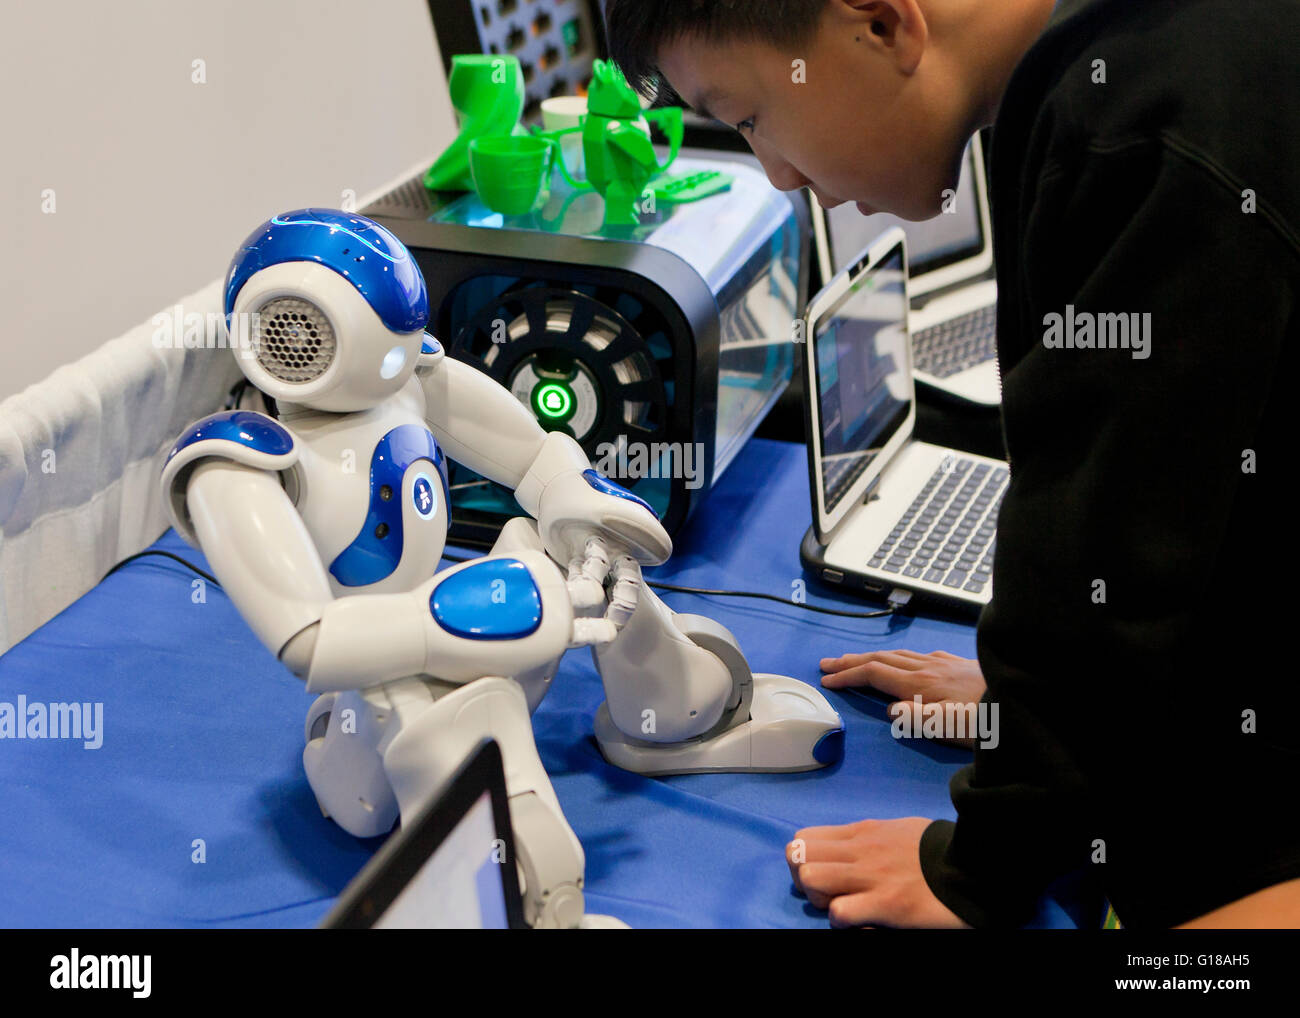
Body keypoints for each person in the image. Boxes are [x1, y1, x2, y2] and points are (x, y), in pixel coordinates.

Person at [601, 0, 1300, 927]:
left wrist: (982, 867)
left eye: (751, 116)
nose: (775, 172)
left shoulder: (1137, 125)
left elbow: (1112, 544)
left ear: (883, 23)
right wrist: (1030, 702)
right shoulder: (1131, 57)